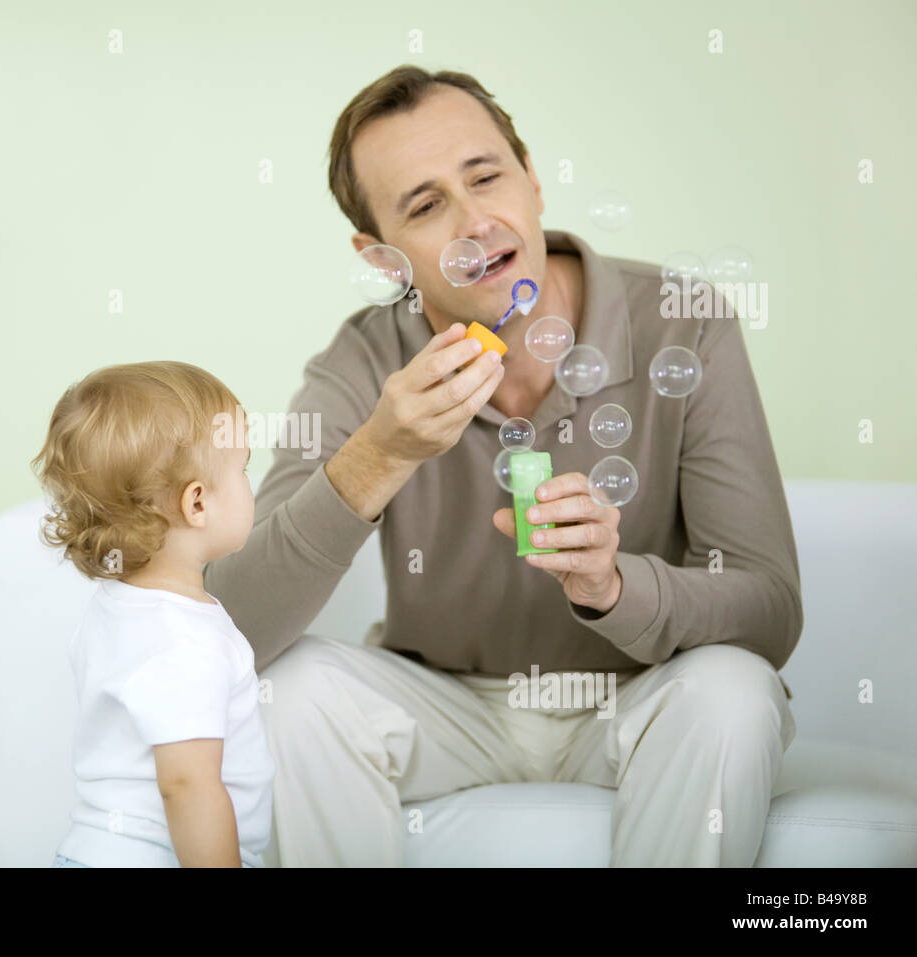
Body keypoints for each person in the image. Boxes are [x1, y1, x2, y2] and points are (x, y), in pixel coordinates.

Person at [203, 65, 801, 867]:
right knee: (292, 688)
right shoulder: (363, 362)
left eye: (485, 176)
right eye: (424, 205)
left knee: (733, 688)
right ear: (383, 260)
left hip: (637, 699)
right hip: (448, 706)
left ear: (533, 180)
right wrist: (378, 454)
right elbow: (228, 629)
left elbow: (769, 608)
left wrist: (615, 586)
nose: (473, 222)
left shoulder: (683, 325)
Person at [31, 361, 273, 867]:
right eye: (244, 467)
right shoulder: (187, 642)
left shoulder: (114, 609)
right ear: (197, 503)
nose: (251, 481)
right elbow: (187, 786)